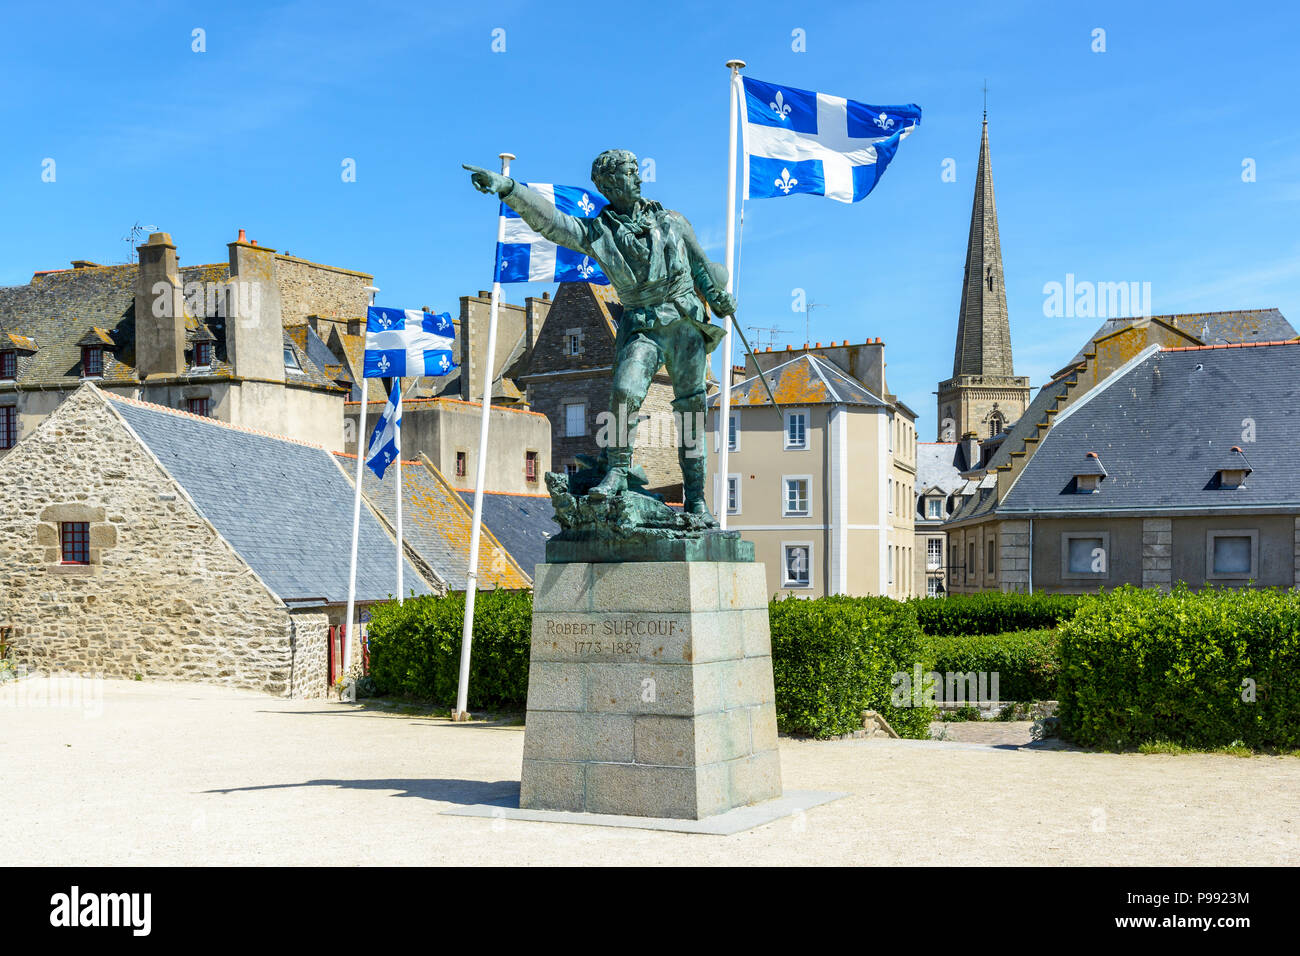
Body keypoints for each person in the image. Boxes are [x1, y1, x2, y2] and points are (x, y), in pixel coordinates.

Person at [464, 150, 736, 523]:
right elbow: (553, 224)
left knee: (691, 411)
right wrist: (510, 189)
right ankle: (619, 470)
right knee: (624, 390)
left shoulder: (673, 222)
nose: (638, 179)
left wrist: (720, 297)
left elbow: (703, 269)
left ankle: (696, 500)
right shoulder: (600, 232)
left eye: (638, 172)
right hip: (643, 326)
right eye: (629, 173)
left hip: (685, 324)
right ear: (608, 184)